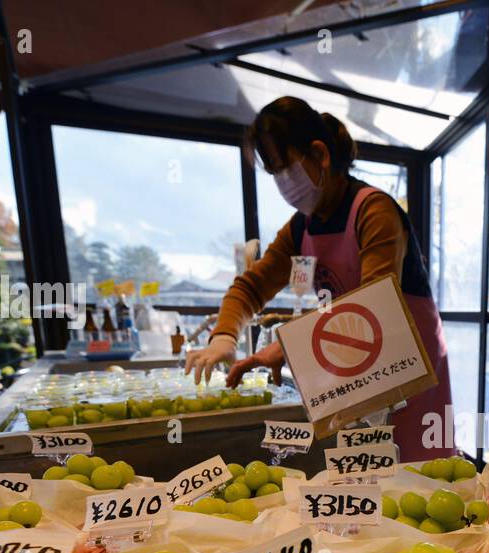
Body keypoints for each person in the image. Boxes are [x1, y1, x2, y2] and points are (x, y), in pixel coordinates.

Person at [184, 97, 455, 459]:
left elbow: (374, 306)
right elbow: (250, 287)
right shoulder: (301, 227)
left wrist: (286, 348)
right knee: (367, 473)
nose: (284, 184)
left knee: (420, 474)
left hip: (409, 366)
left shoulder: (373, 210)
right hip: (352, 361)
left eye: (286, 169)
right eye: (275, 175)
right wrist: (223, 336)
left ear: (319, 154)